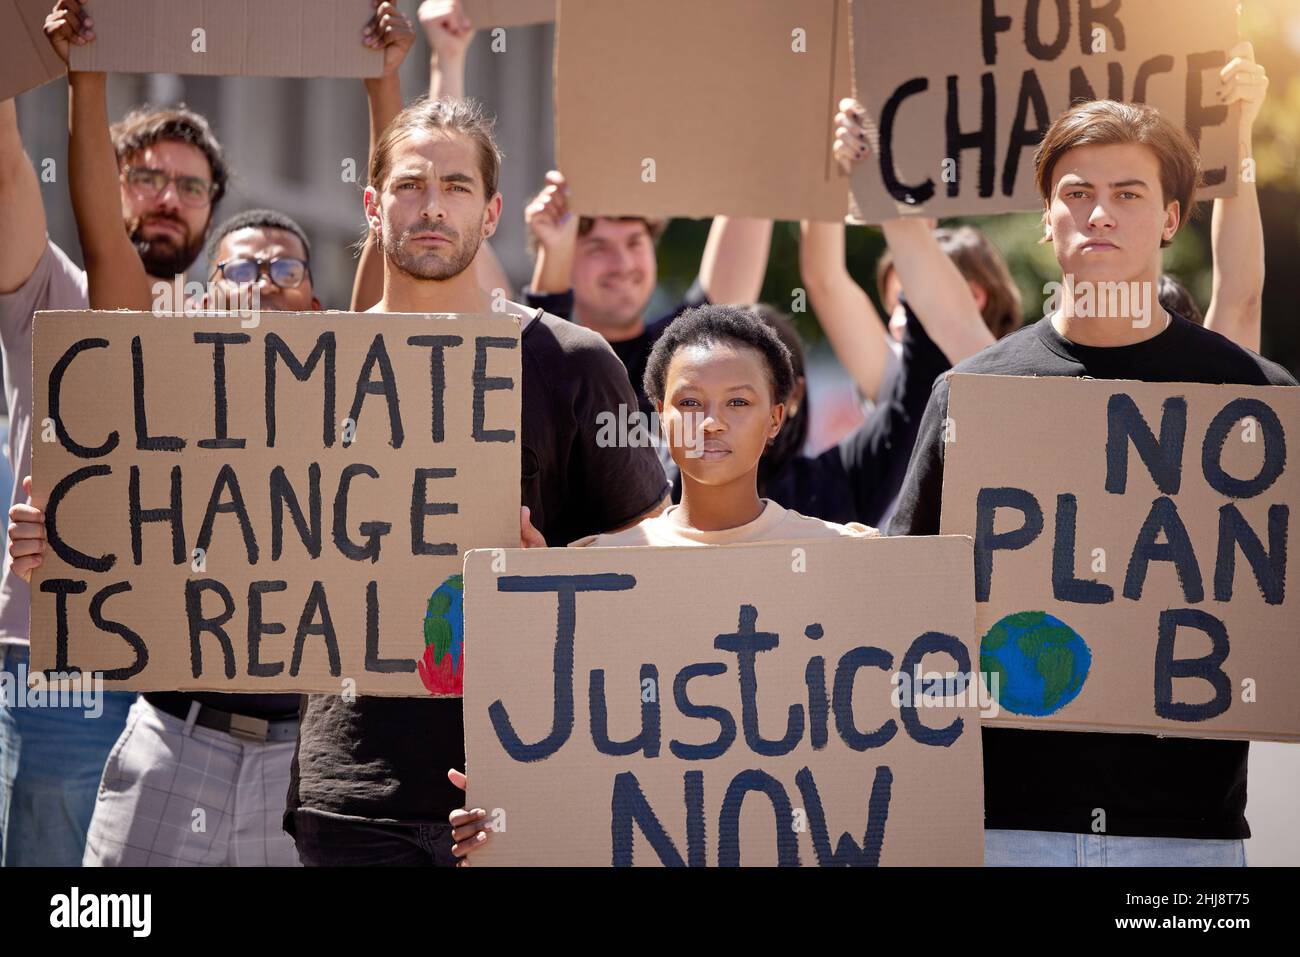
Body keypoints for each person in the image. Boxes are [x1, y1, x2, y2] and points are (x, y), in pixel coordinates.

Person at [889, 97, 1296, 866]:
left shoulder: (1253, 401)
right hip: (1004, 826)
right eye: (1076, 194)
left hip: (1189, 838)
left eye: (1128, 194)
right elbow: (906, 595)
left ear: (1172, 218)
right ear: (1046, 218)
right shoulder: (974, 393)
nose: (1099, 214)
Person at [284, 95, 669, 866]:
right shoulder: (306, 369)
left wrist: (557, 571)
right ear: (373, 204)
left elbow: (654, 557)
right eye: (410, 184)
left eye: (457, 187)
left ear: (492, 213)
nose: (433, 207)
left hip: (528, 778)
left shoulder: (574, 361)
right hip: (352, 796)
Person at [446, 303, 879, 862]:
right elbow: (560, 747)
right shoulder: (588, 571)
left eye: (739, 403)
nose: (712, 422)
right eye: (690, 402)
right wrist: (507, 806)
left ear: (777, 418)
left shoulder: (850, 560)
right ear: (657, 414)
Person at [0, 0, 230, 865]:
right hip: (60, 664)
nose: (168, 196)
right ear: (103, 178)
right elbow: (6, 175)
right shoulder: (45, 288)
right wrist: (22, 42)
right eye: (143, 176)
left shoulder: (242, 328)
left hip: (194, 678)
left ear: (215, 212)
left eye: (192, 184)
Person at [523, 171, 773, 419]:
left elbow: (753, 181)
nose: (623, 264)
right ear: (565, 260)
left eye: (634, 242)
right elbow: (542, 344)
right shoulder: (550, 363)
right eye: (598, 248)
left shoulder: (689, 346)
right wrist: (554, 247)